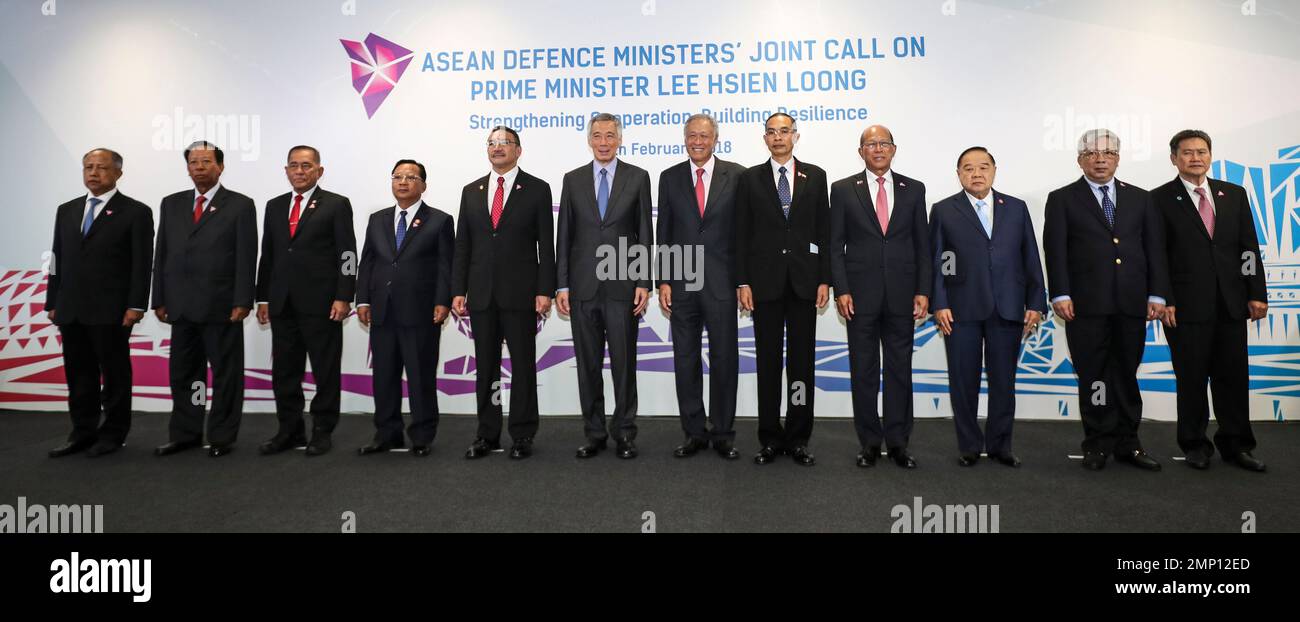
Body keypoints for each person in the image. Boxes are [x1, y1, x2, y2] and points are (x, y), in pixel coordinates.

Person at [1043, 129, 1170, 471]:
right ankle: (1097, 443)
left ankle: (1129, 443)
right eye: (1092, 154)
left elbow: (1154, 250)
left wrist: (1157, 293)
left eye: (1108, 153)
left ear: (1118, 157)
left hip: (1132, 304)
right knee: (1095, 377)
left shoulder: (1141, 199)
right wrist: (1061, 293)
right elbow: (1055, 252)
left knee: (1126, 374)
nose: (1100, 159)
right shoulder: (1062, 198)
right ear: (1080, 159)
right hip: (1084, 307)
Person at [1153, 129, 1267, 472]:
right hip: (1185, 306)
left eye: (1201, 151)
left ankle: (1237, 446)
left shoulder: (1233, 193)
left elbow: (1247, 246)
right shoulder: (1158, 198)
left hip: (1231, 303)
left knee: (1233, 378)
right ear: (1174, 158)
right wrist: (1165, 298)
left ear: (1210, 155)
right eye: (1187, 153)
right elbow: (1156, 255)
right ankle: (1195, 445)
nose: (1195, 158)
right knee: (1191, 379)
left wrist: (1256, 292)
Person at [930, 147, 1046, 467]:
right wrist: (939, 303)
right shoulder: (943, 210)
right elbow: (938, 261)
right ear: (958, 174)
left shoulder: (1017, 208)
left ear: (995, 170)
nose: (976, 174)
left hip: (1008, 308)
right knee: (963, 381)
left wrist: (1036, 301)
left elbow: (1030, 258)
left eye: (983, 167)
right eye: (968, 168)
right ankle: (969, 445)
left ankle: (1000, 445)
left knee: (1003, 382)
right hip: (960, 310)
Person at [829, 124, 930, 469]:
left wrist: (923, 289)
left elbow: (923, 246)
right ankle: (870, 442)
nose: (877, 149)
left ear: (894, 149)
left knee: (901, 370)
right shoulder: (843, 190)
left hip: (903, 296)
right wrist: (841, 289)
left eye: (883, 143)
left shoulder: (914, 190)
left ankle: (899, 443)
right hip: (859, 297)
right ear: (861, 152)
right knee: (864, 371)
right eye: (870, 144)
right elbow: (834, 246)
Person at [452, 127, 555, 460]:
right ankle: (487, 433)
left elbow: (546, 247)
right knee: (487, 368)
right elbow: (463, 246)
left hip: (521, 294)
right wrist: (458, 290)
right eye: (492, 143)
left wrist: (544, 290)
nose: (497, 148)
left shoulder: (538, 189)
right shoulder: (471, 191)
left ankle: (523, 434)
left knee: (523, 366)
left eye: (504, 143)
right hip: (481, 295)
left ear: (518, 150)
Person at [555, 112, 654, 459]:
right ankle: (594, 433)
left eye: (610, 136)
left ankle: (625, 433)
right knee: (588, 365)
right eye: (597, 136)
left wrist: (644, 281)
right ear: (589, 139)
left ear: (620, 139)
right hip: (582, 288)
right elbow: (564, 235)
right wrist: (562, 285)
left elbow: (644, 233)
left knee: (624, 365)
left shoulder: (638, 177)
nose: (603, 142)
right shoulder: (573, 179)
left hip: (623, 288)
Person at [151, 141, 258, 458]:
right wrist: (159, 297)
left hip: (222, 306)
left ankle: (222, 436)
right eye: (194, 162)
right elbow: (163, 253)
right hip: (180, 306)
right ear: (187, 168)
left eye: (206, 161)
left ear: (220, 167)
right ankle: (186, 433)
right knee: (185, 375)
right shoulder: (171, 204)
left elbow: (246, 255)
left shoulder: (240, 205)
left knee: (225, 375)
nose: (199, 166)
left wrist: (243, 299)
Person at [45, 148, 154, 458]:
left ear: (118, 173)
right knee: (79, 375)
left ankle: (114, 434)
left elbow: (141, 263)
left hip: (112, 311)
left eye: (101, 168)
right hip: (70, 308)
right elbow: (56, 259)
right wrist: (52, 300)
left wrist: (136, 305)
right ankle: (82, 432)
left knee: (115, 375)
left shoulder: (135, 211)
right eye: (88, 167)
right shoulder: (66, 210)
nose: (93, 173)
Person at [736, 112, 831, 466]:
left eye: (785, 132)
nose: (778, 138)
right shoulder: (749, 179)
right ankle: (770, 437)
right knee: (769, 363)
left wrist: (825, 278)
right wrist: (742, 281)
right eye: (772, 133)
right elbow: (741, 233)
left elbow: (825, 230)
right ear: (765, 138)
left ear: (796, 136)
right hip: (764, 285)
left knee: (802, 365)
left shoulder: (816, 176)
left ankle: (798, 436)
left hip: (805, 284)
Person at [254, 145, 356, 457]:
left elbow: (347, 254)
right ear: (286, 170)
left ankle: (322, 431)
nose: (300, 171)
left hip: (323, 304)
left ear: (319, 171)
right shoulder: (274, 206)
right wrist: (263, 298)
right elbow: (268, 255)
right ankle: (289, 430)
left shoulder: (336, 204)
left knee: (325, 371)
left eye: (306, 166)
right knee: (285, 372)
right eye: (294, 166)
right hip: (282, 304)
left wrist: (343, 295)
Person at [655, 113, 745, 459]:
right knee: (686, 359)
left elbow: (742, 232)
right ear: (684, 138)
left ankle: (723, 433)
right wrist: (663, 279)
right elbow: (664, 231)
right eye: (692, 135)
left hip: (723, 283)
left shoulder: (736, 175)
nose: (697, 141)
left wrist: (743, 280)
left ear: (715, 139)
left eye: (704, 136)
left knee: (724, 359)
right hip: (681, 284)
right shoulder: (670, 177)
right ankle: (693, 431)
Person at [355, 159, 454, 457]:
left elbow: (446, 267)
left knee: (420, 375)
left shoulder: (439, 220)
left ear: (423, 185)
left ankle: (422, 435)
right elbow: (368, 262)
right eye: (398, 176)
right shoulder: (377, 219)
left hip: (421, 311)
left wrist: (442, 301)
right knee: (383, 376)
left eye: (411, 177)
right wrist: (362, 299)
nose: (403, 182)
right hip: (382, 311)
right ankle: (387, 433)